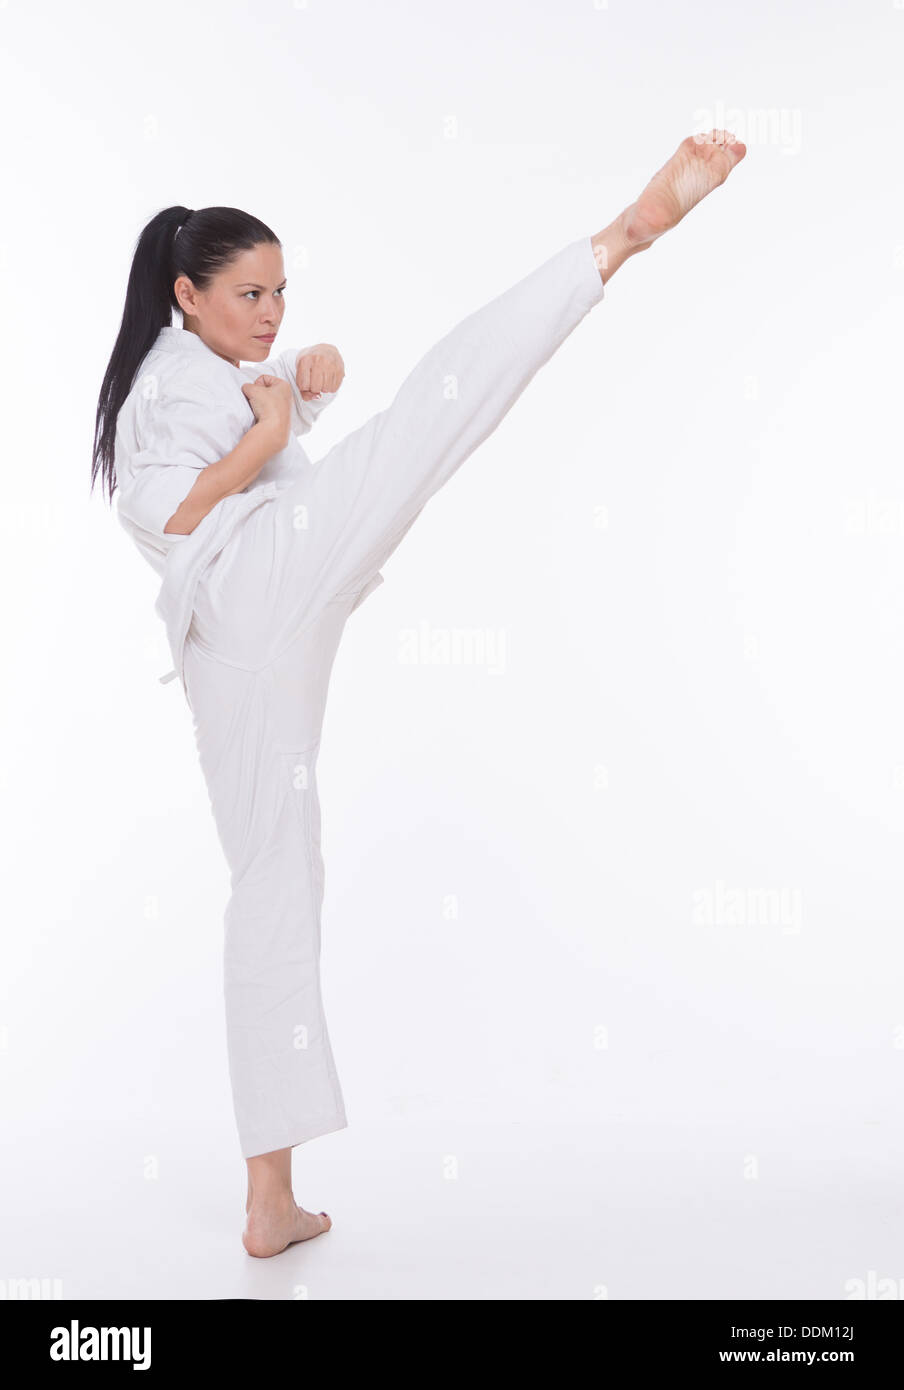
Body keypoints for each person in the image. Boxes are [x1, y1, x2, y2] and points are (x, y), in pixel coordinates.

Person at [91, 130, 746, 1258]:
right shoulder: (165, 380)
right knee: (431, 418)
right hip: (259, 583)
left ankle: (270, 1197)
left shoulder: (196, 368)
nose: (272, 309)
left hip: (243, 644)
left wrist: (298, 384)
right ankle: (621, 237)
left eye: (282, 291)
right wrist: (279, 425)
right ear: (185, 295)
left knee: (275, 881)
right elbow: (177, 507)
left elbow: (246, 422)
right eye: (250, 293)